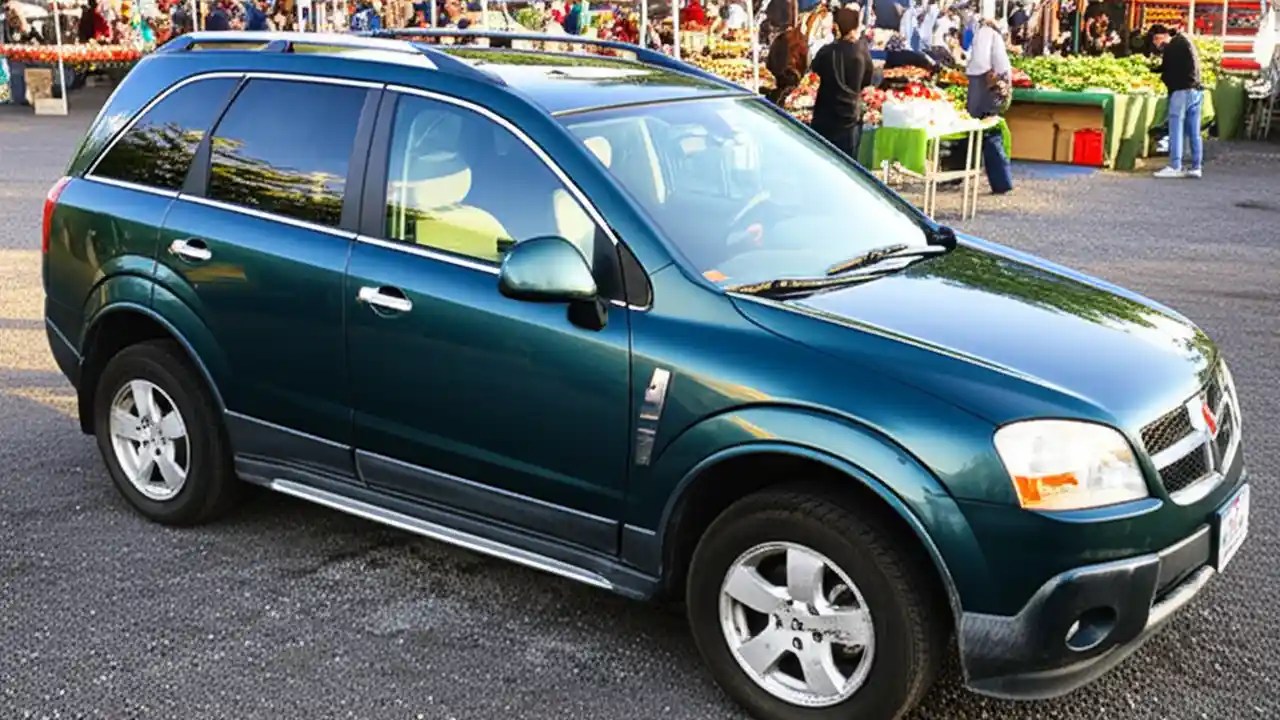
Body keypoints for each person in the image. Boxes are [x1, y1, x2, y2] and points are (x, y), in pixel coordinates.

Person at [810, 6, 874, 158]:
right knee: (847, 165)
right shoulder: (862, 52)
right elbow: (867, 79)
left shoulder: (827, 52)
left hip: (825, 117)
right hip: (850, 117)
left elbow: (815, 69)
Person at [1148, 23, 1204, 178]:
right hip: (1196, 91)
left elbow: (1167, 71)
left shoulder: (1171, 47)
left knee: (1176, 129)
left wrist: (1152, 70)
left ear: (1159, 38)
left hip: (1180, 91)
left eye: (1156, 42)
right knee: (1194, 131)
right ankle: (1196, 166)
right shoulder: (1185, 41)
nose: (1157, 46)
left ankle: (1175, 165)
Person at [965, 17, 1014, 193]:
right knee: (991, 133)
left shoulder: (984, 34)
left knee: (986, 132)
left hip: (987, 87)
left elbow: (980, 64)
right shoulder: (994, 35)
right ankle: (1002, 181)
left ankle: (1001, 181)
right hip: (997, 85)